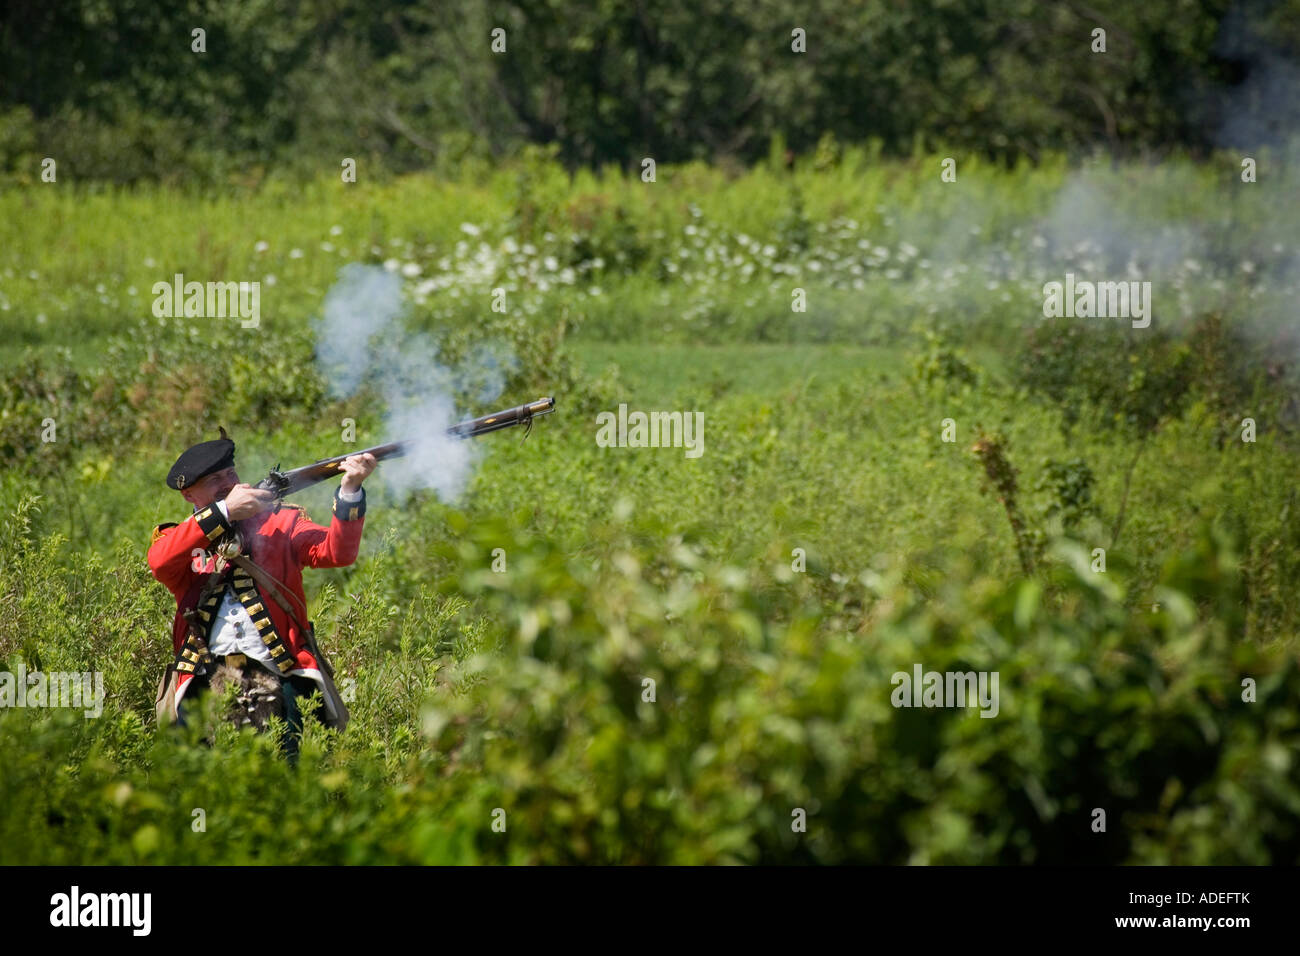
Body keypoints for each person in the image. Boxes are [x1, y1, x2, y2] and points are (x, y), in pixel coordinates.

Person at [147, 428, 375, 761]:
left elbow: (337, 552)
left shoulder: (282, 521)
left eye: (230, 473)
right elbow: (160, 562)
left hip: (281, 674)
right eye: (214, 479)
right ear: (188, 495)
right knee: (199, 783)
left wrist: (350, 488)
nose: (228, 482)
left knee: (286, 779)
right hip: (202, 680)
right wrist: (224, 513)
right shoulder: (177, 539)